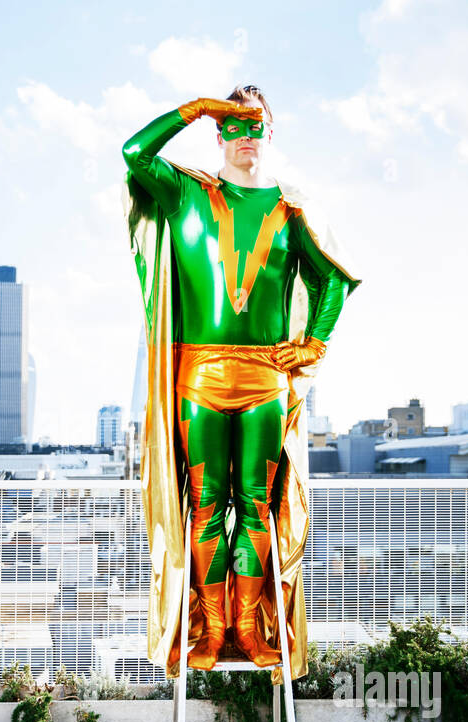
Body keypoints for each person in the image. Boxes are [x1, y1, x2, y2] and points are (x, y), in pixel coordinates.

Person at [121, 85, 361, 677]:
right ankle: (209, 626)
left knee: (255, 504)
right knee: (204, 506)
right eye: (233, 124)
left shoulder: (290, 207)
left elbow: (334, 279)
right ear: (218, 132)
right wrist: (198, 106)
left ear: (271, 133)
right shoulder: (185, 192)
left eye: (255, 125)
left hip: (265, 378)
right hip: (197, 374)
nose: (244, 135)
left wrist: (315, 341)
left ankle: (251, 629)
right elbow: (133, 153)